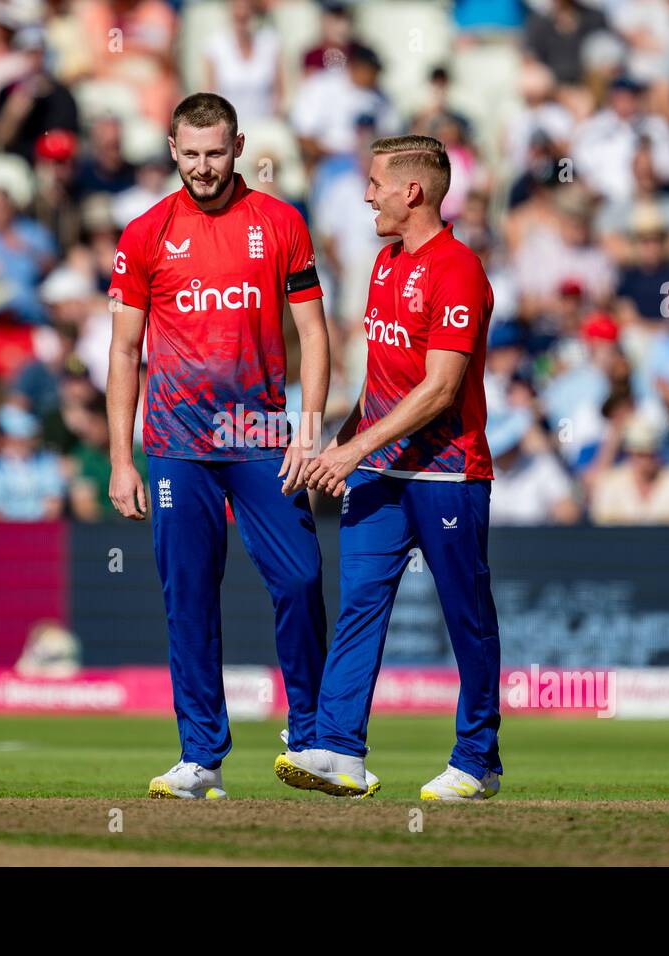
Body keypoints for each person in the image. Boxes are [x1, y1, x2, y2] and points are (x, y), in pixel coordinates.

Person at [106, 93, 335, 799]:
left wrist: (313, 421)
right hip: (176, 442)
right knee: (190, 599)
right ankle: (201, 759)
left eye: (215, 153)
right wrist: (122, 458)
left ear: (237, 147)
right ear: (172, 150)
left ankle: (315, 739)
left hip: (262, 436)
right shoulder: (145, 233)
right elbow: (123, 350)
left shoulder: (280, 222)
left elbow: (316, 333)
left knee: (299, 578)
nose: (203, 168)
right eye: (190, 154)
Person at [278, 134, 502, 802]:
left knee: (467, 614)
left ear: (413, 191)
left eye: (375, 183)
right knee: (360, 605)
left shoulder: (458, 268)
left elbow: (439, 389)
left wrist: (352, 450)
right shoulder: (384, 263)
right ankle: (340, 750)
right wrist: (340, 441)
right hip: (379, 472)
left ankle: (477, 759)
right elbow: (383, 380)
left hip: (446, 472)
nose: (366, 193)